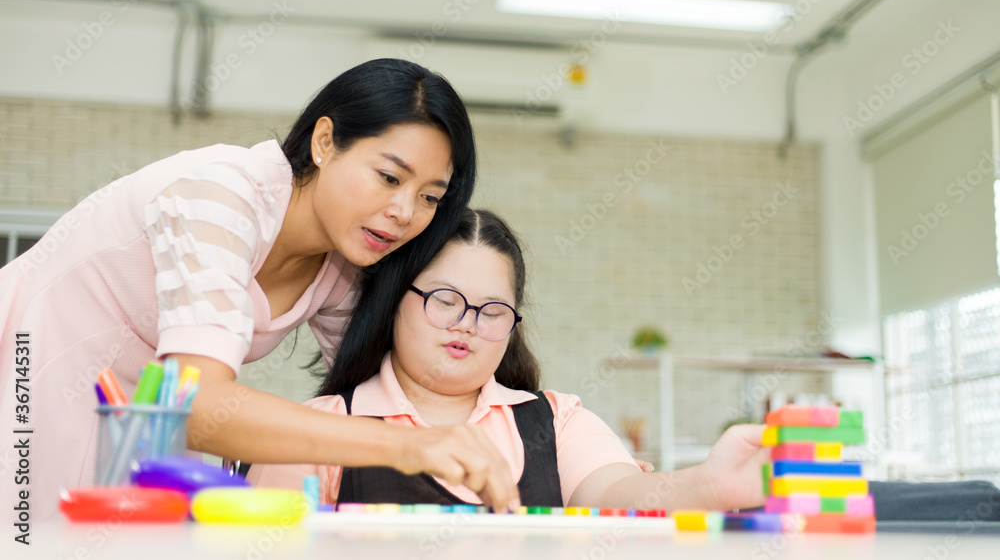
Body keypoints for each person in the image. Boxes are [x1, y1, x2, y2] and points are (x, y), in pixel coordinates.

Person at [0, 59, 524, 522]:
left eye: (430, 197)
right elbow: (200, 407)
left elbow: (386, 395)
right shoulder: (221, 195)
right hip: (29, 369)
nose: (405, 213)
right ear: (324, 142)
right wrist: (410, 445)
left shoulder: (341, 271)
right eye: (389, 177)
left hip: (137, 425)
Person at [250, 209, 770, 510]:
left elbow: (614, 495)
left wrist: (705, 484)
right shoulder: (321, 429)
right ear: (393, 301)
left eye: (492, 310)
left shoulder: (556, 421)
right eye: (445, 300)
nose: (466, 323)